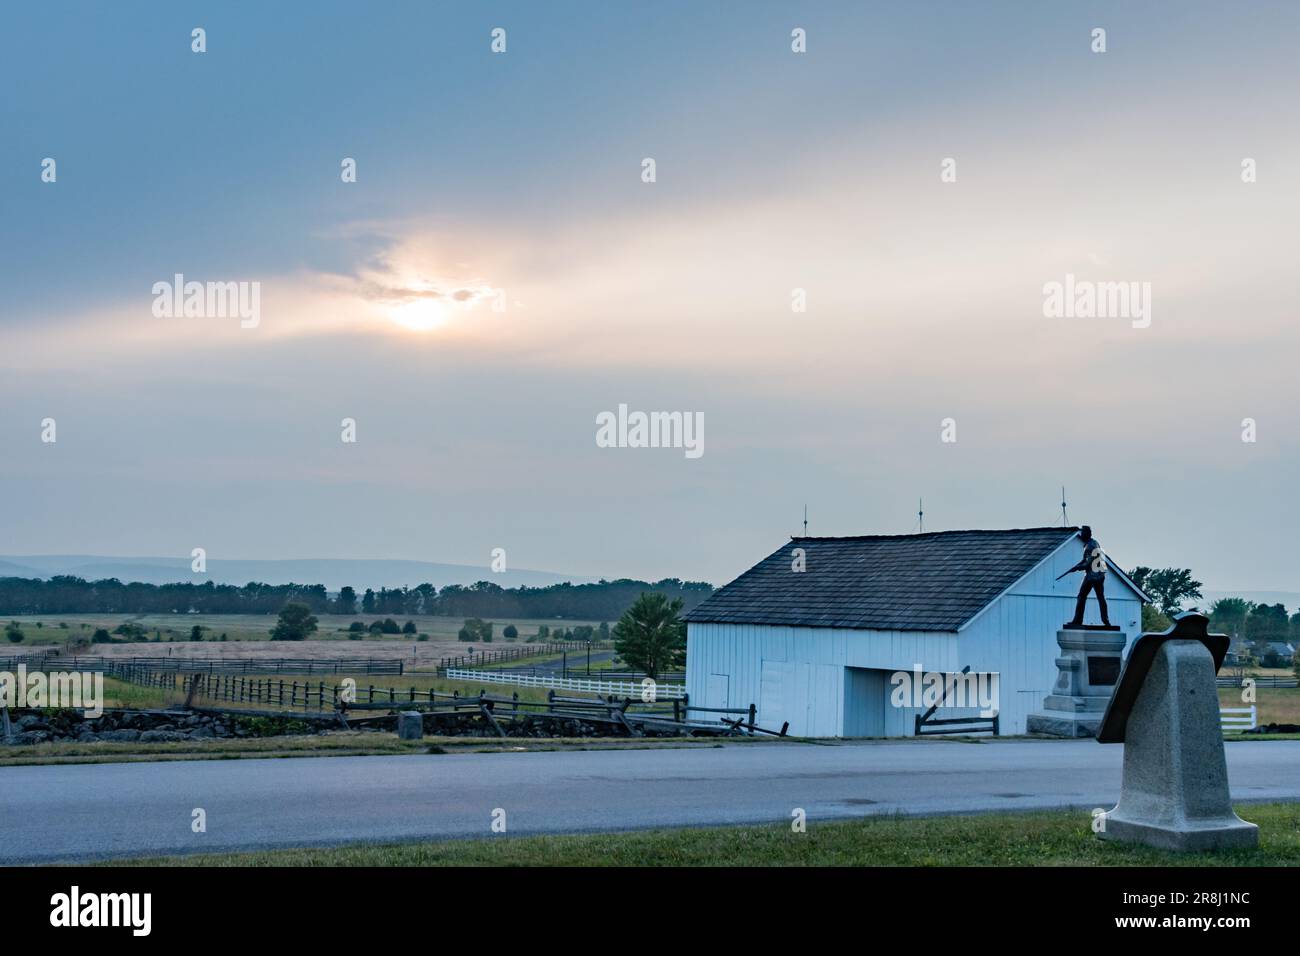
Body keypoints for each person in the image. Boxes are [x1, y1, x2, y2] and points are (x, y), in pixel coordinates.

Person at [1065, 525, 1111, 627]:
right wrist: (1077, 565)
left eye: (1083, 533)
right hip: (1095, 574)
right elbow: (1085, 560)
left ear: (1087, 534)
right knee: (1097, 597)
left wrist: (1077, 568)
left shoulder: (1090, 546)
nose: (1081, 535)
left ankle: (1079, 620)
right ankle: (1105, 620)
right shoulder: (1091, 543)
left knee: (1084, 596)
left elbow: (1088, 564)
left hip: (1094, 575)